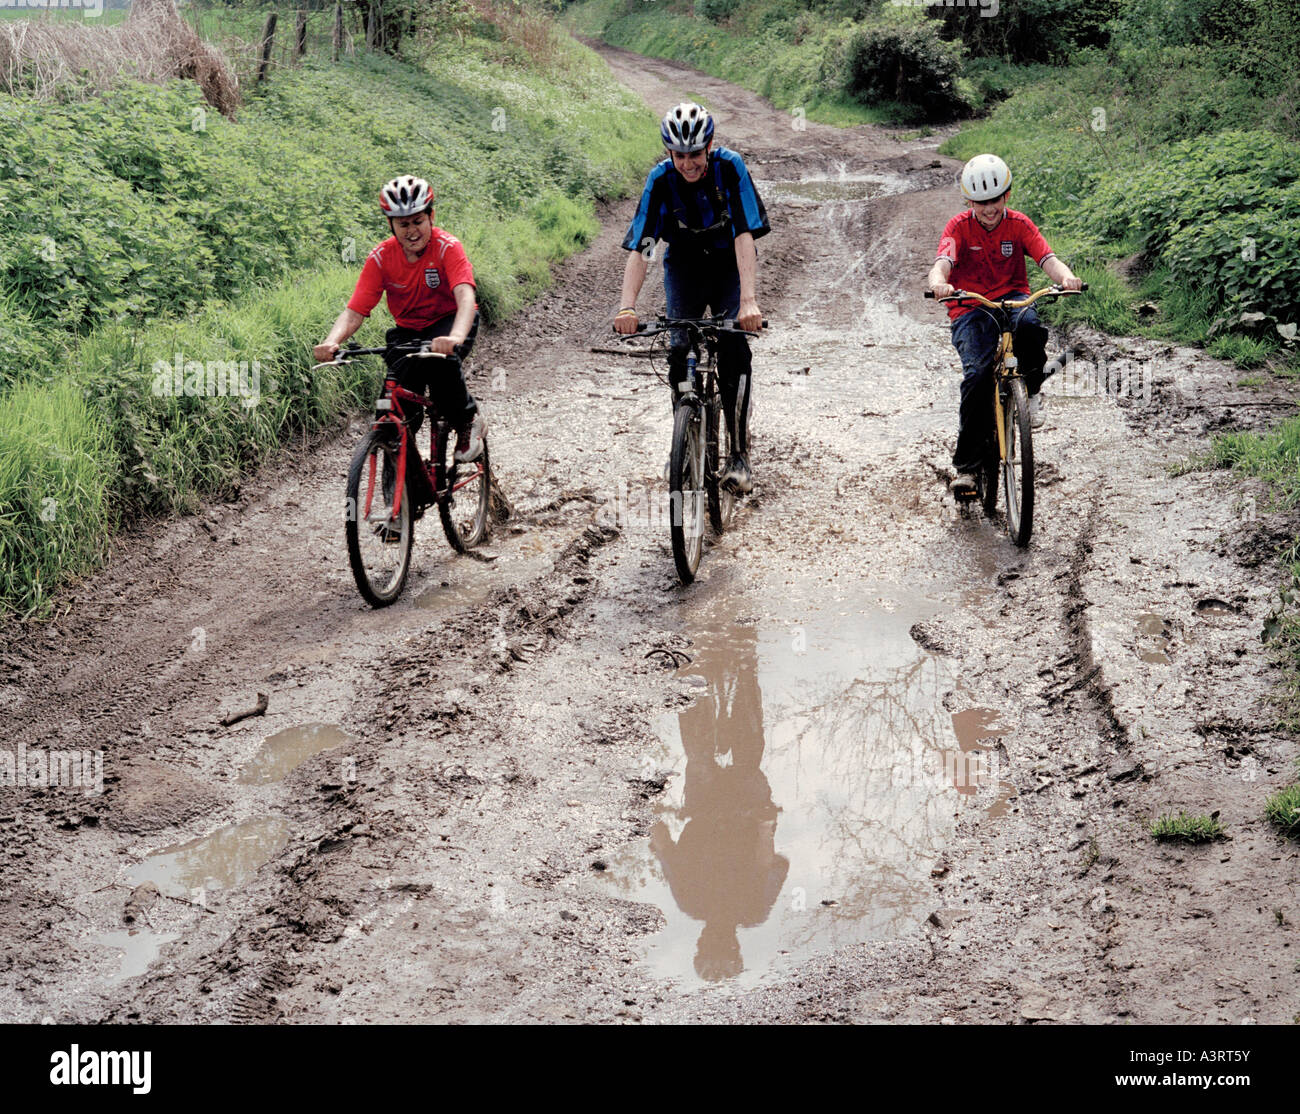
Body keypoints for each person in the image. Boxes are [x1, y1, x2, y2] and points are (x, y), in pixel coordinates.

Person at [613, 103, 768, 494]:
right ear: (669, 153)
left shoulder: (730, 168)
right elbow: (644, 247)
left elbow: (744, 233)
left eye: (695, 154)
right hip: (683, 266)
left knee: (733, 347)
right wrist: (627, 306)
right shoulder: (661, 180)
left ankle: (738, 453)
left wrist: (748, 300)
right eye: (680, 155)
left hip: (729, 264)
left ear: (710, 146)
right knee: (679, 346)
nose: (688, 164)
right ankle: (681, 443)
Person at [927, 154, 1083, 495]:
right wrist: (940, 283)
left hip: (1012, 298)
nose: (989, 209)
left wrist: (1067, 278)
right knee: (977, 376)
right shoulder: (958, 227)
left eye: (995, 200)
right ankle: (966, 469)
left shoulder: (1020, 225)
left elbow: (1048, 259)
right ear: (969, 200)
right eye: (981, 202)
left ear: (1006, 196)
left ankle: (1033, 391)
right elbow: (941, 263)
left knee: (1030, 328)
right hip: (970, 305)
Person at [314, 175, 485, 463]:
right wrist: (332, 341)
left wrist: (455, 337)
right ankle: (403, 483)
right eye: (403, 224)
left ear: (431, 217)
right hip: (408, 331)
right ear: (391, 225)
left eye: (418, 221)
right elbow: (355, 311)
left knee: (440, 368)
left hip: (451, 321)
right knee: (393, 408)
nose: (412, 231)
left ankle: (468, 422)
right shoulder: (381, 258)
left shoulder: (448, 247)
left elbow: (465, 297)